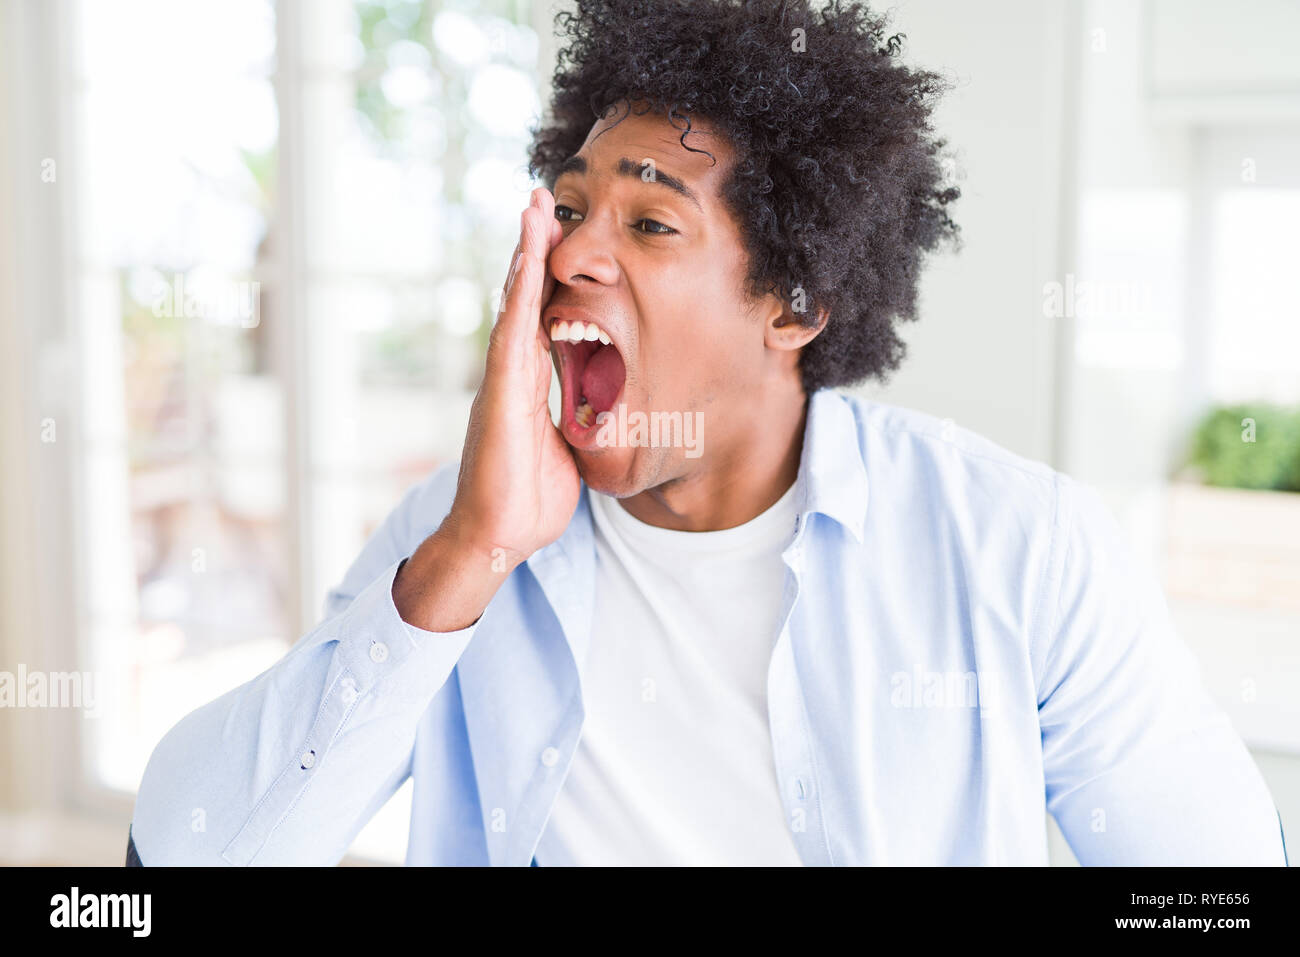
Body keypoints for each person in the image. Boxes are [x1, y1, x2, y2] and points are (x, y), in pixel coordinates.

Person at [128, 0, 1287, 866]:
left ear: (793, 302)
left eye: (649, 221)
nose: (573, 255)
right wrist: (464, 563)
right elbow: (182, 857)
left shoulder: (1017, 546)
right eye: (570, 207)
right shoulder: (462, 537)